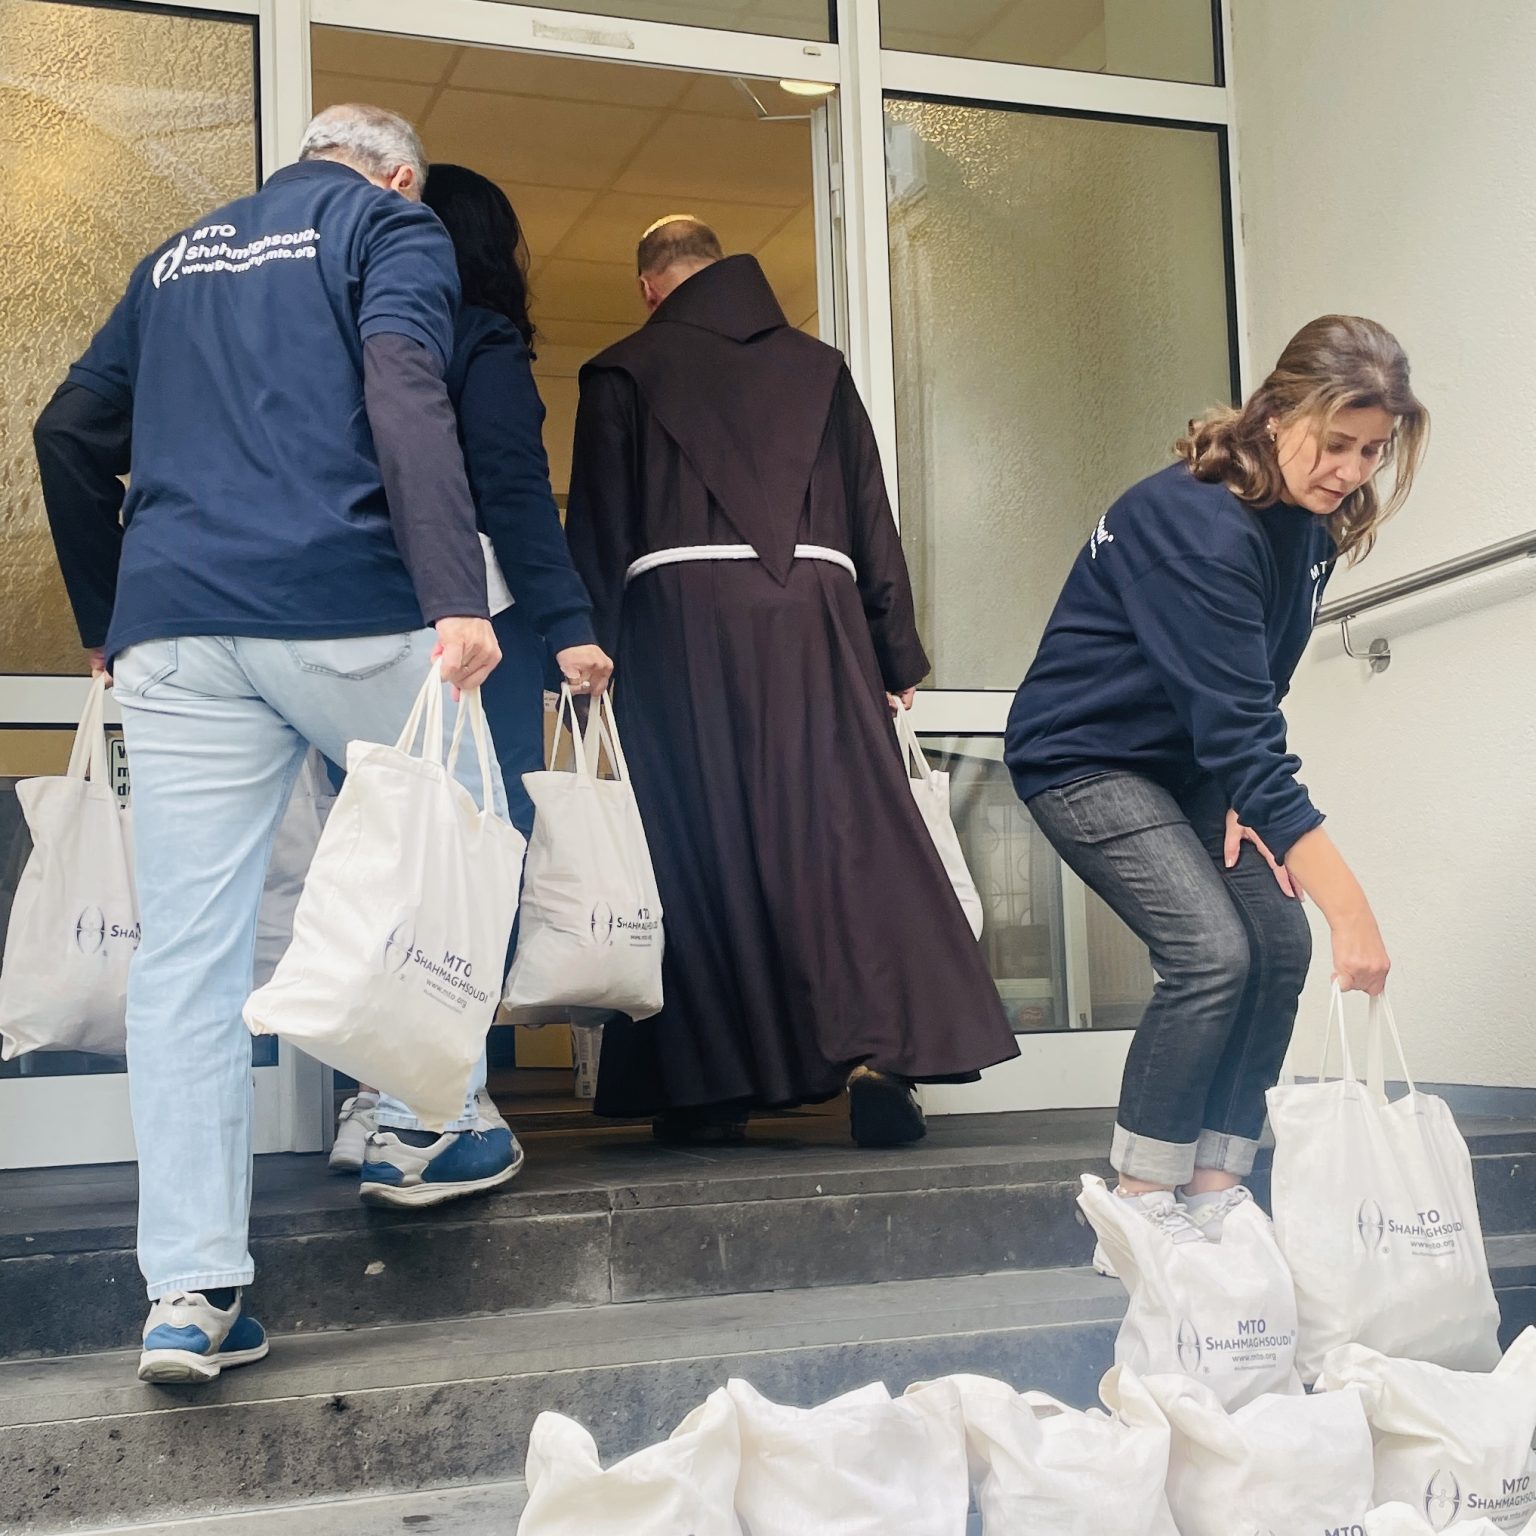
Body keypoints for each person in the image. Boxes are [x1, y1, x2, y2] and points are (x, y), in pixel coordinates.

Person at [32, 105, 518, 1384]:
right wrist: (454, 593)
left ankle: (189, 1292)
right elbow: (404, 386)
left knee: (186, 956)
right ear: (399, 174)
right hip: (341, 601)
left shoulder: (177, 257)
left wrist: (107, 620)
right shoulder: (389, 228)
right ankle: (429, 1120)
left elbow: (67, 431)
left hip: (177, 628)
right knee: (460, 831)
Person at [563, 216, 1019, 1148]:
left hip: (681, 631)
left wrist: (581, 641)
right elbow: (871, 517)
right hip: (821, 621)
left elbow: (600, 525)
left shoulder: (622, 371)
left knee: (703, 845)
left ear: (650, 288)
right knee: (845, 844)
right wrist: (894, 653)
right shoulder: (822, 369)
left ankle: (710, 1090)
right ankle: (879, 1058)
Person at [1004, 315, 1428, 1268]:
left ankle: (1215, 1189)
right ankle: (1140, 1203)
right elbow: (1241, 729)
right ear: (1277, 413)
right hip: (1083, 758)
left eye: (1372, 450)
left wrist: (1242, 792)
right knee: (1210, 952)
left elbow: (1249, 691)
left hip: (1190, 765)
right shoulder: (1194, 527)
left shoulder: (1304, 526)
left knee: (1277, 943)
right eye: (1337, 442)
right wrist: (1355, 912)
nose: (1352, 470)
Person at [326, 165, 612, 1178]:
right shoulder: (479, 342)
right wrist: (569, 623)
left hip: (351, 626)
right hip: (472, 633)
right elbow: (514, 490)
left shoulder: (350, 341)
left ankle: (373, 1102)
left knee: (379, 863)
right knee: (475, 859)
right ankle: (434, 1111)